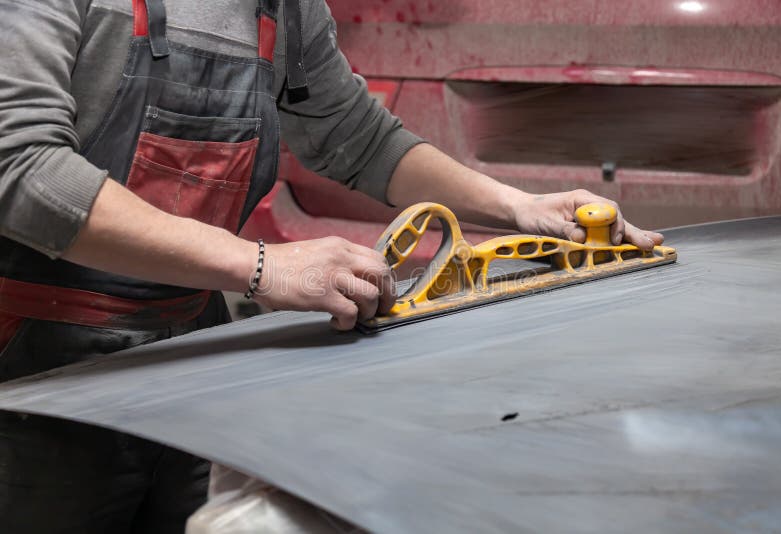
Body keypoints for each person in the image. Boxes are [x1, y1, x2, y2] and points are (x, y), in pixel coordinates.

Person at [0, 0, 664, 531]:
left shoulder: (283, 9)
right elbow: (21, 170)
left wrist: (518, 207)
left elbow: (358, 136)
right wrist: (263, 266)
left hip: (188, 356)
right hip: (33, 366)